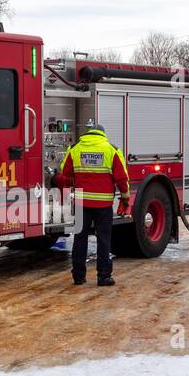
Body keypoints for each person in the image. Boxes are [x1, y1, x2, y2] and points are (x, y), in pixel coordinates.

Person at [56, 122, 129, 287]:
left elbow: (65, 172)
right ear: (103, 134)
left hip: (82, 202)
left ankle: (78, 277)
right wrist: (125, 198)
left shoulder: (75, 148)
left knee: (80, 238)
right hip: (103, 204)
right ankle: (103, 277)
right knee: (104, 239)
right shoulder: (112, 150)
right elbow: (122, 179)